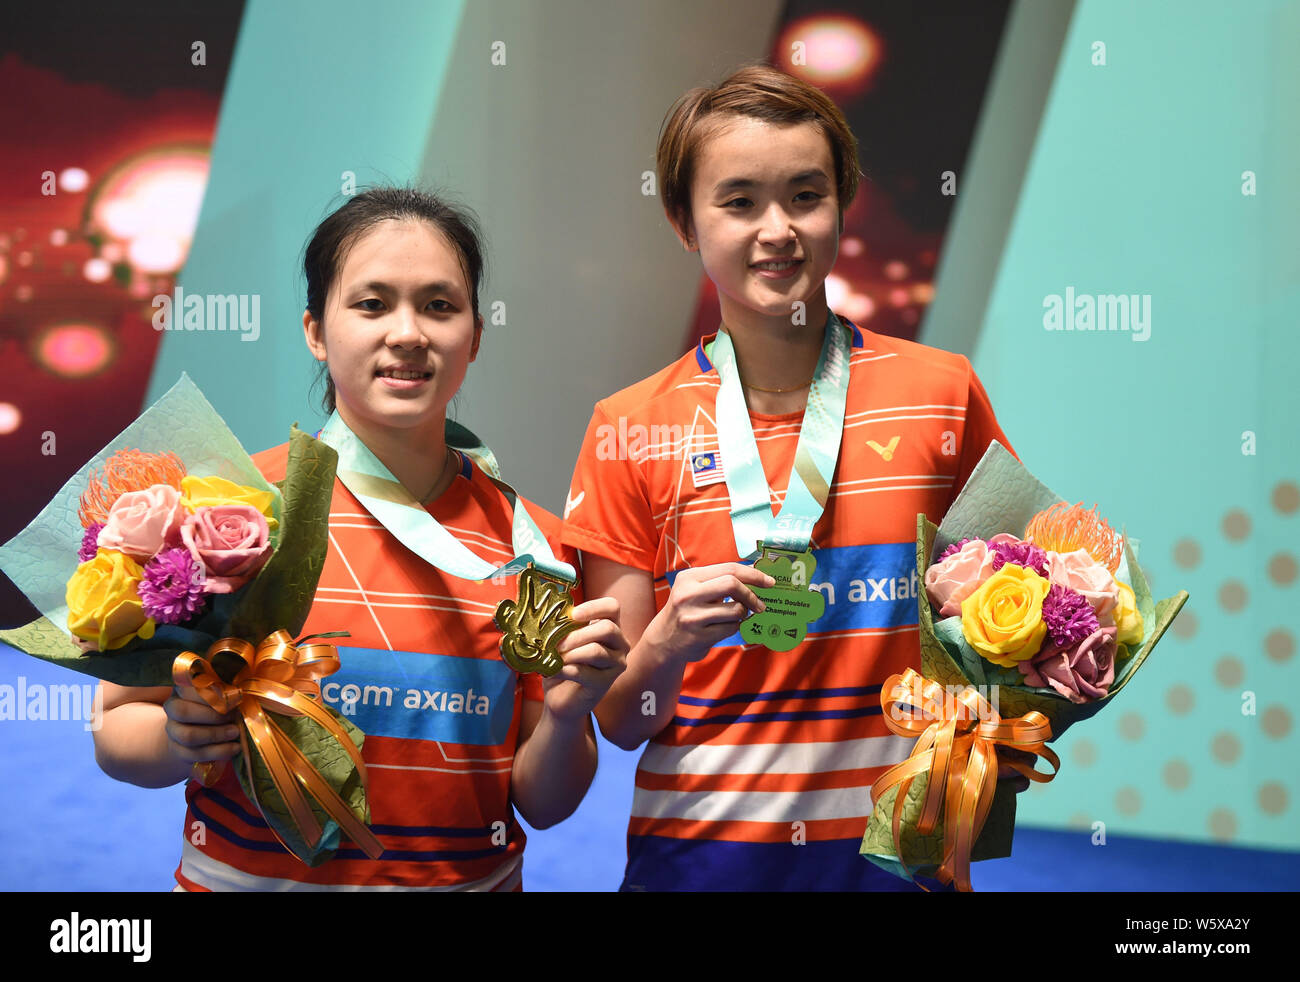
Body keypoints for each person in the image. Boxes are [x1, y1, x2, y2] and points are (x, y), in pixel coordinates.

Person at [561, 65, 1029, 891]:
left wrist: (1002, 731)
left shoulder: (942, 392)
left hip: (900, 858)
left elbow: (1016, 617)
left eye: (805, 195)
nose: (776, 229)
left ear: (844, 201)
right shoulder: (630, 428)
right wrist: (668, 639)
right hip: (698, 863)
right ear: (684, 221)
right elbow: (621, 721)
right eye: (738, 202)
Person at [92, 186, 627, 891]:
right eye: (371, 304)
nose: (408, 333)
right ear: (315, 330)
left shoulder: (535, 548)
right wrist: (176, 738)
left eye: (440, 305)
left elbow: (545, 802)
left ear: (476, 334)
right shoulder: (226, 514)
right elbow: (115, 733)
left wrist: (566, 718)